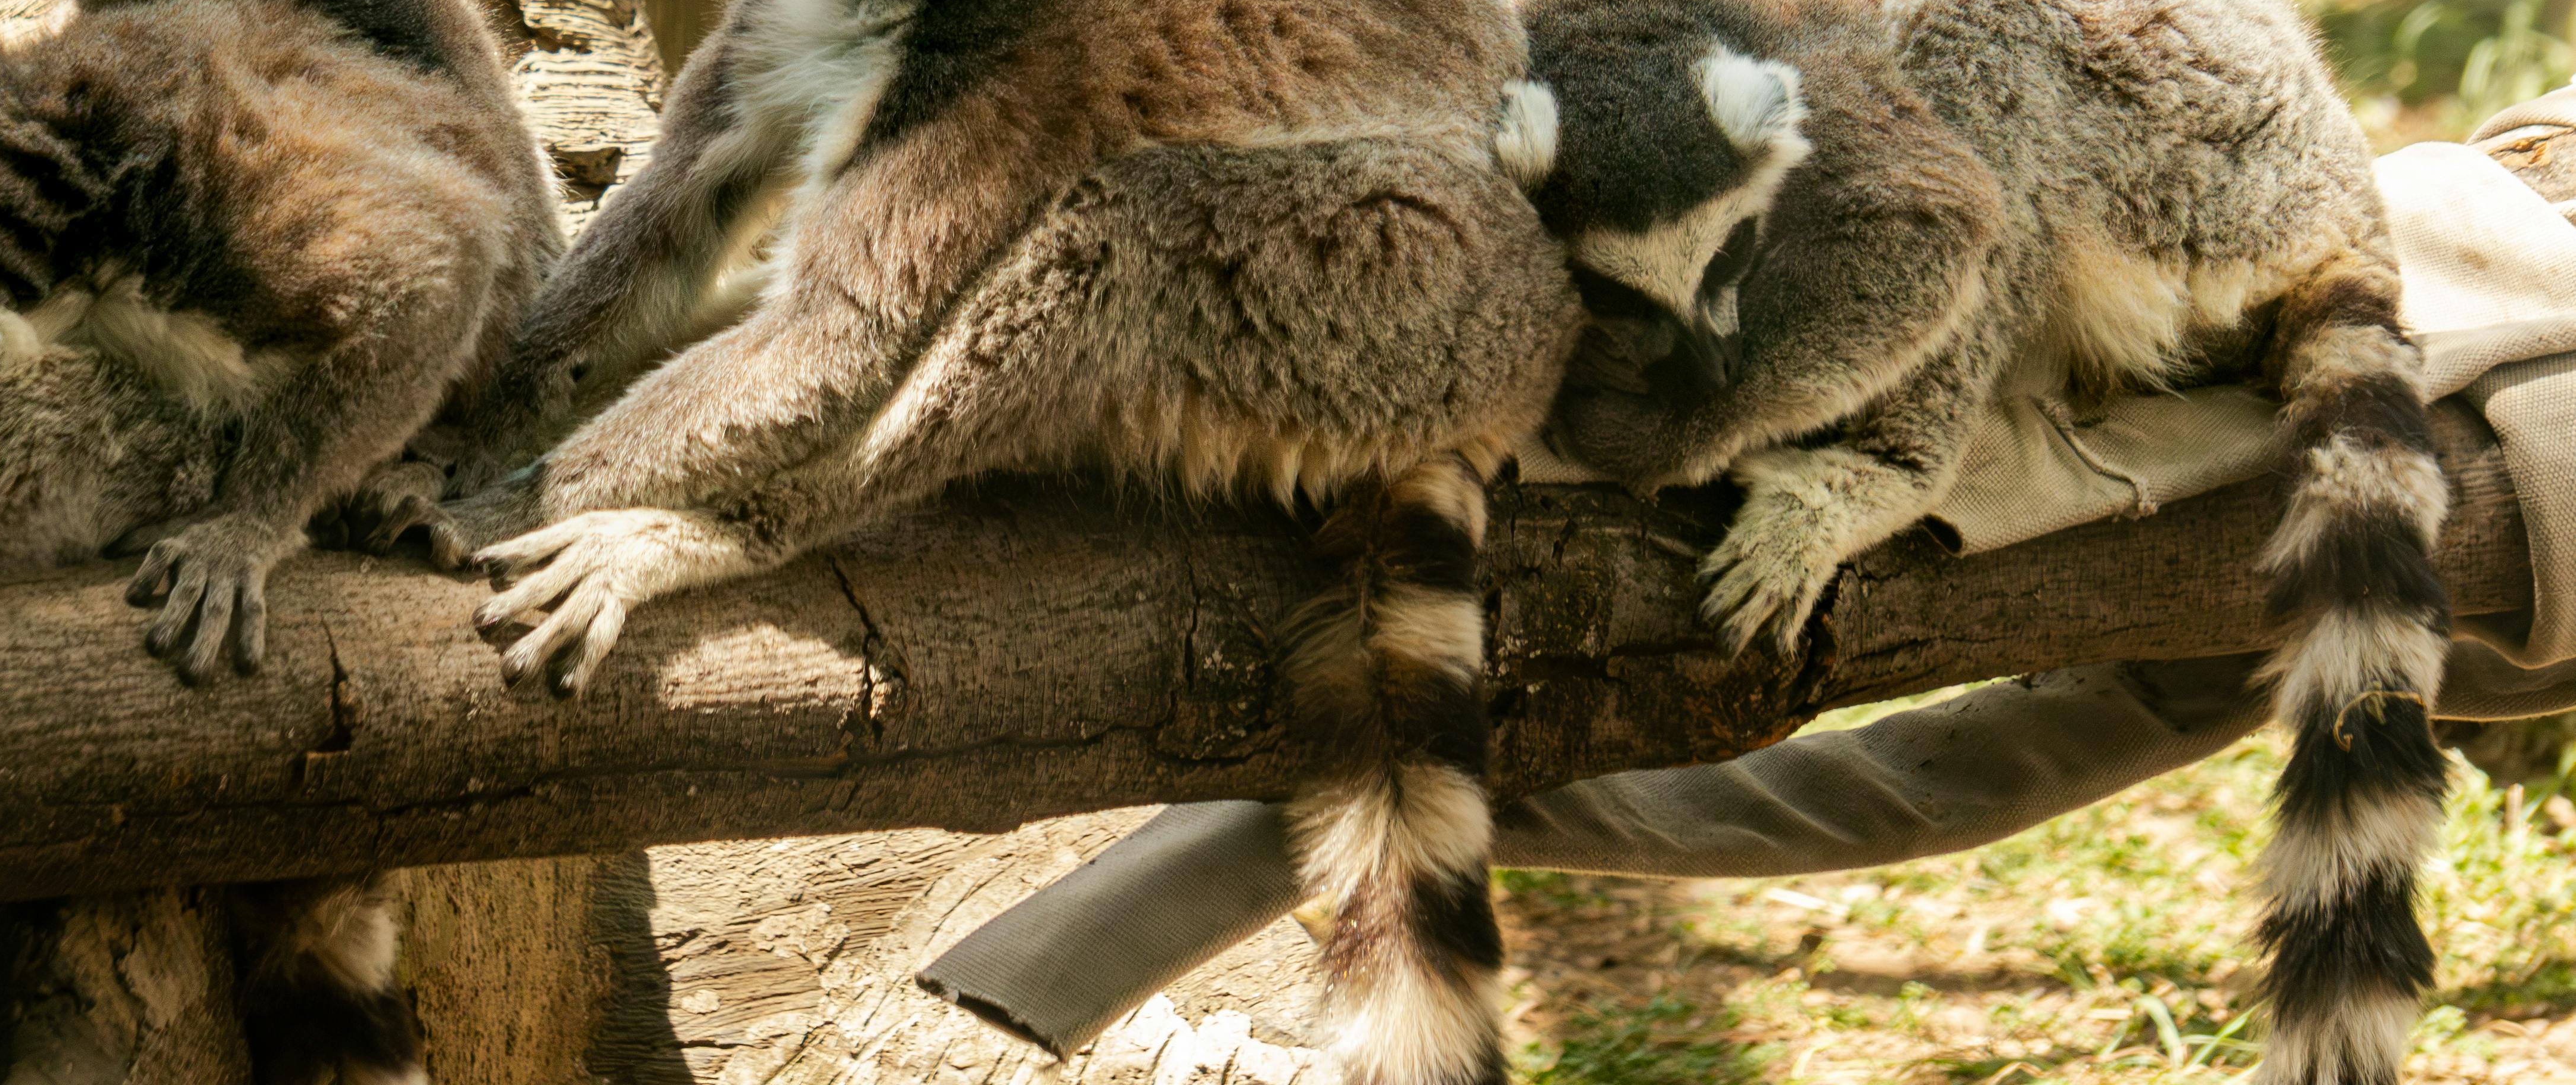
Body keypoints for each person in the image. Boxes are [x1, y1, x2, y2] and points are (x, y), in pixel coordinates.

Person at [918, 90, 2576, 1055]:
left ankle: (1053, 957)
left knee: (1908, 785)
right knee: (1683, 479)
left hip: (2424, 464)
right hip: (2341, 298)